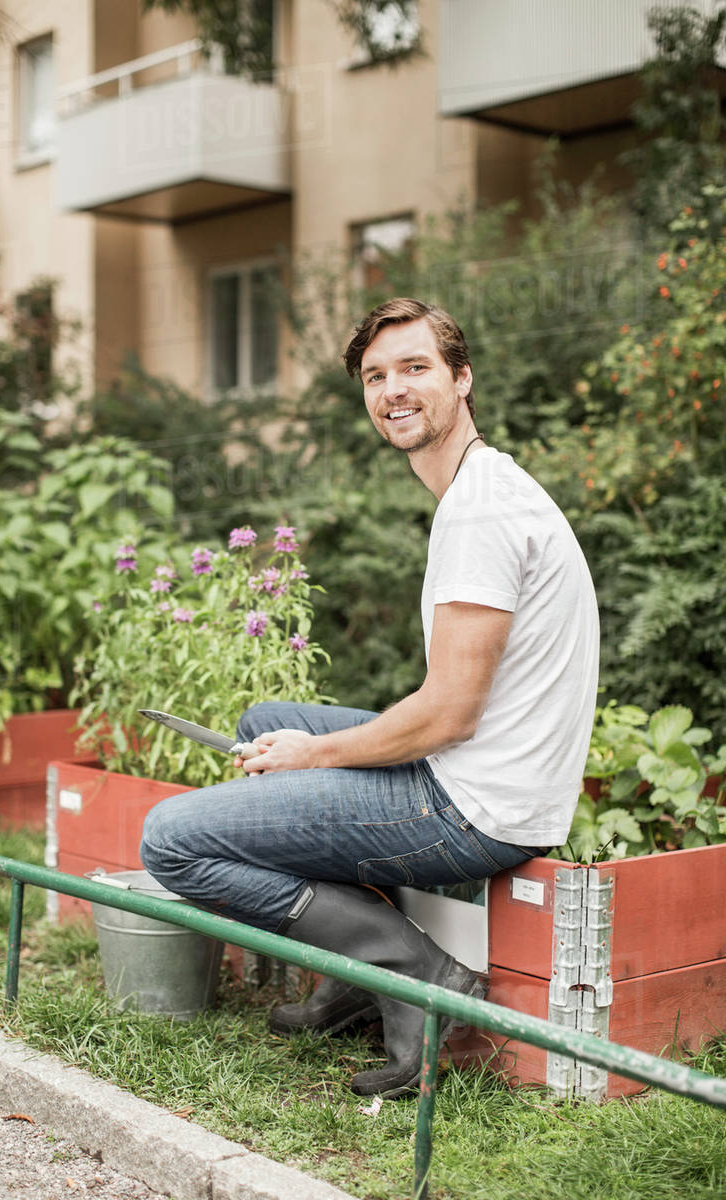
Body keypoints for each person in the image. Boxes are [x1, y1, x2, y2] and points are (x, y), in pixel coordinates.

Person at [140, 297, 600, 1098]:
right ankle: (356, 978)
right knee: (263, 727)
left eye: (415, 368)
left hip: (473, 806)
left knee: (170, 842)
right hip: (483, 773)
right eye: (375, 375)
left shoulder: (481, 513)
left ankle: (418, 977)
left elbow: (448, 713)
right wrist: (299, 746)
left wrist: (315, 755)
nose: (393, 389)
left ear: (462, 379)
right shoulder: (479, 488)